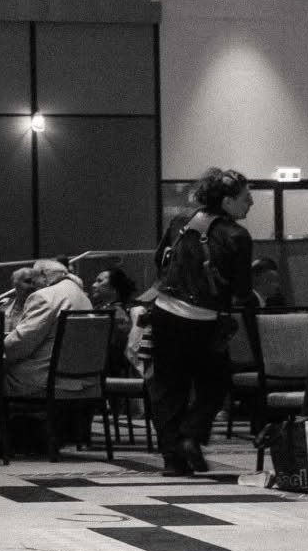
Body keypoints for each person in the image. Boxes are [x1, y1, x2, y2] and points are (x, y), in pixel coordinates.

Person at [148, 167, 254, 476]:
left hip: (164, 312)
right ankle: (191, 435)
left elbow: (159, 260)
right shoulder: (237, 235)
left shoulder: (180, 222)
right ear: (227, 202)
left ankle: (173, 460)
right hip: (203, 320)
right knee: (215, 381)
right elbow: (241, 289)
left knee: (168, 388)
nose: (251, 202)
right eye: (245, 197)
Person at [1, 259, 93, 399]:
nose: (33, 287)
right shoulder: (82, 297)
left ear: (44, 275)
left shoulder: (44, 296)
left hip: (47, 381)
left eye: (34, 280)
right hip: (85, 379)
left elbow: (20, 344)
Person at [89, 266, 136, 375]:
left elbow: (114, 349)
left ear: (114, 288)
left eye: (99, 281)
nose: (93, 285)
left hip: (108, 371)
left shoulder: (117, 314)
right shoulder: (104, 309)